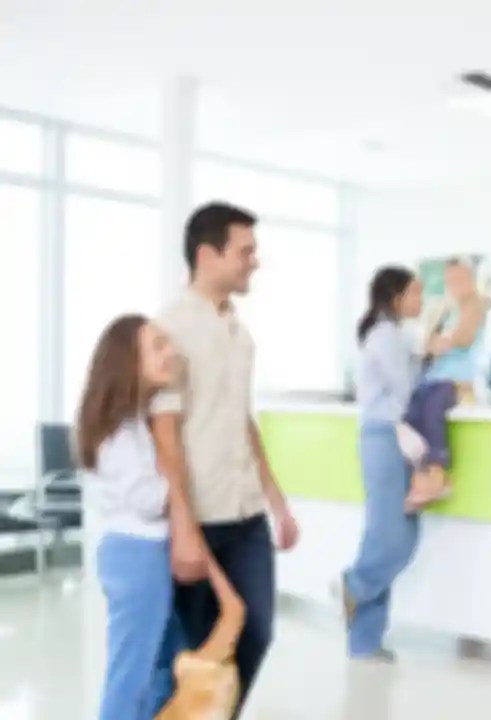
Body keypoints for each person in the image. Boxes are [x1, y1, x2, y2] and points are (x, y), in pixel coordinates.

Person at [151, 202, 299, 718]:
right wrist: (184, 526)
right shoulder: (169, 328)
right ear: (207, 254)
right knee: (197, 650)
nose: (254, 261)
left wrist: (278, 502)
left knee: (256, 631)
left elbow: (241, 419)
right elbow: (164, 434)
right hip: (201, 515)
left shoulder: (237, 327)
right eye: (246, 251)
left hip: (246, 513)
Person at [79, 314, 238, 719]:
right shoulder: (119, 430)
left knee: (161, 669)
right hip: (137, 556)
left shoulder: (134, 422)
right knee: (132, 675)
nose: (171, 353)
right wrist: (174, 477)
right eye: (158, 346)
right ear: (128, 362)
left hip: (142, 553)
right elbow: (148, 497)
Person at [341, 265, 425, 660]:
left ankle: (364, 642)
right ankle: (354, 587)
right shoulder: (388, 336)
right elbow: (405, 393)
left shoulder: (391, 335)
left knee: (389, 536)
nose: (420, 302)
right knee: (392, 538)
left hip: (391, 437)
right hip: (384, 436)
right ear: (395, 297)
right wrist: (425, 356)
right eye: (415, 293)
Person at [398, 258, 487, 510]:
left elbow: (463, 337)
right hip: (432, 379)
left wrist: (440, 341)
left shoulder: (474, 303)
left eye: (459, 279)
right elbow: (426, 343)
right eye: (450, 280)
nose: (455, 285)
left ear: (470, 279)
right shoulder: (446, 310)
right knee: (410, 414)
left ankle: (438, 475)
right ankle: (421, 477)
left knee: (433, 408)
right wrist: (433, 342)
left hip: (456, 382)